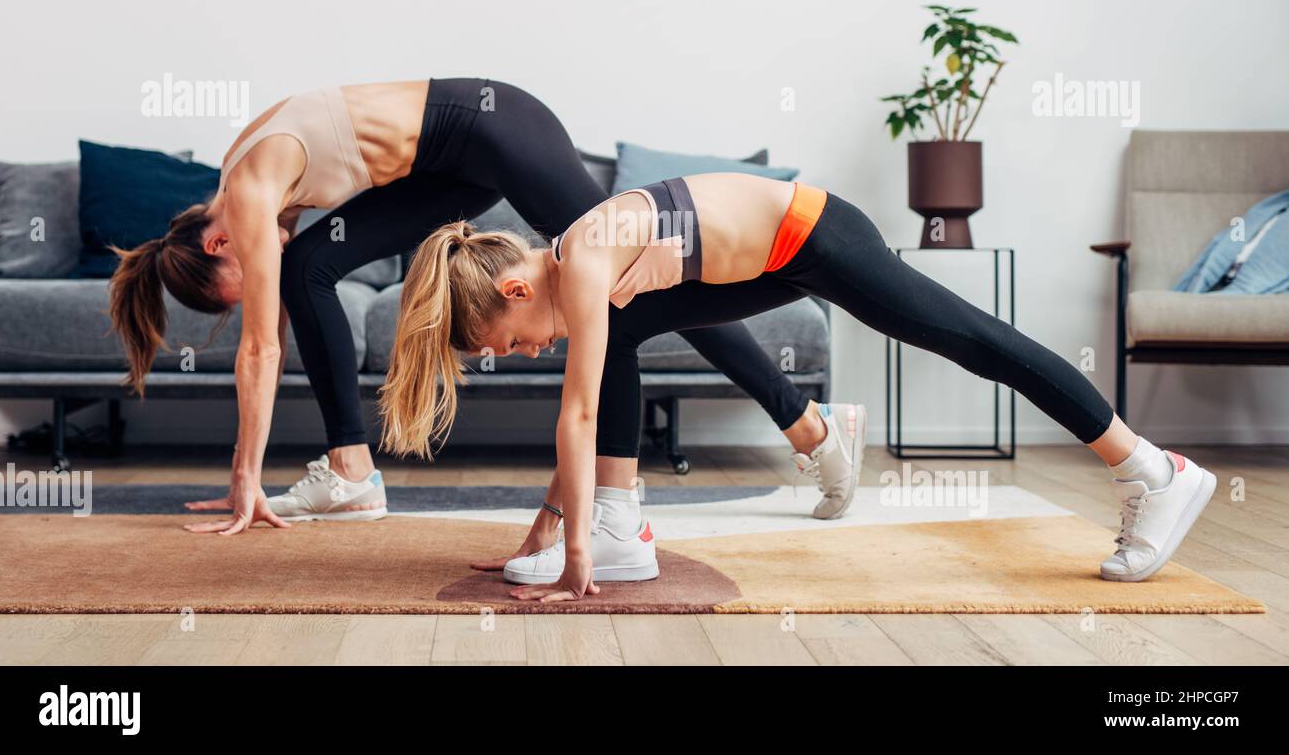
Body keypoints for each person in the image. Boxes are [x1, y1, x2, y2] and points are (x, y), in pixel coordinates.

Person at [383, 173, 1217, 603]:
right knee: (633, 327)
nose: (524, 351)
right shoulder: (580, 263)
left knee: (970, 339)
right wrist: (549, 524)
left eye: (507, 342)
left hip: (820, 234)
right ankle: (619, 528)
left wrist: (566, 560)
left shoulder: (586, 254)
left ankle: (1150, 467)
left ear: (518, 291)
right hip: (780, 252)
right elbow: (588, 391)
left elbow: (581, 407)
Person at [107, 81, 853, 535]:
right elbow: (275, 317)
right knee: (309, 263)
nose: (262, 253)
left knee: (644, 291)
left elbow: (261, 348)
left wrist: (245, 473)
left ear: (214, 242)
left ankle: (810, 429)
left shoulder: (245, 192)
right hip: (456, 162)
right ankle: (352, 475)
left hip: (496, 129)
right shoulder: (244, 178)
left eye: (248, 263)